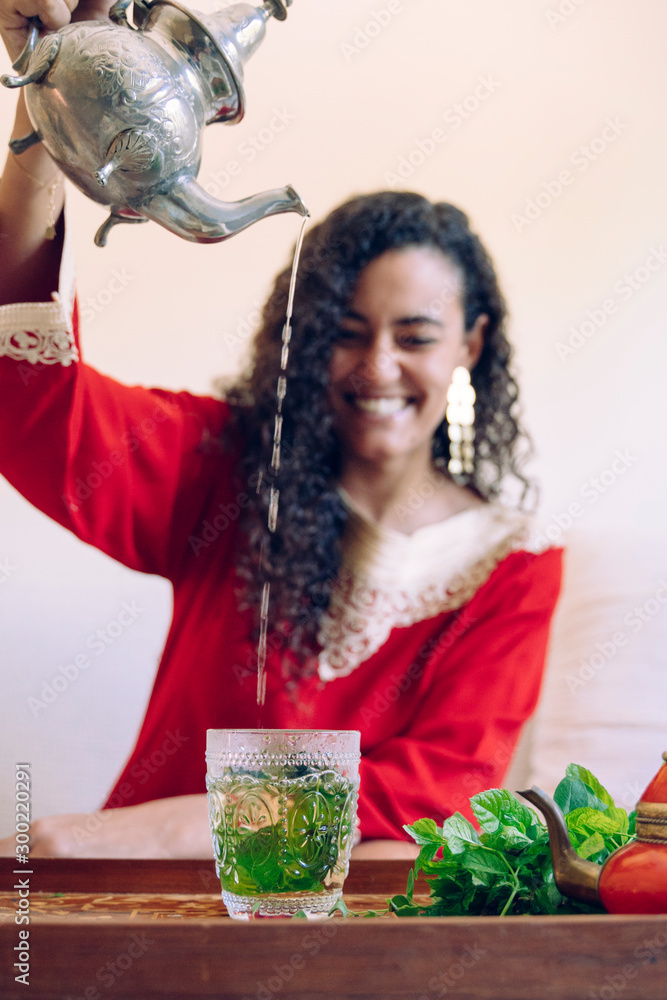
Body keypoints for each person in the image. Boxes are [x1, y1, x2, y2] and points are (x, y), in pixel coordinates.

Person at [0, 0, 562, 859]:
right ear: (302, 340)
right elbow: (27, 401)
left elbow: (434, 794)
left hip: (344, 957)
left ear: (470, 345)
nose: (376, 367)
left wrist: (144, 830)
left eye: (412, 337)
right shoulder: (226, 473)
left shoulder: (512, 570)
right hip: (141, 921)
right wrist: (44, 99)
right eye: (342, 330)